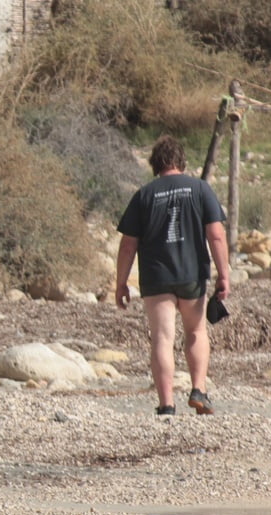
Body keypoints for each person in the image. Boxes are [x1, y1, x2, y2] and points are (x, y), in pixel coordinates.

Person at [115, 135, 230, 416]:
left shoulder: (144, 195)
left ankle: (166, 405)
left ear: (155, 163)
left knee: (162, 338)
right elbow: (216, 235)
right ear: (181, 161)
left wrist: (121, 283)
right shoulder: (200, 189)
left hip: (157, 277)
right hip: (192, 274)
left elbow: (128, 245)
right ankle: (198, 390)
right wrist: (224, 275)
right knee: (196, 331)